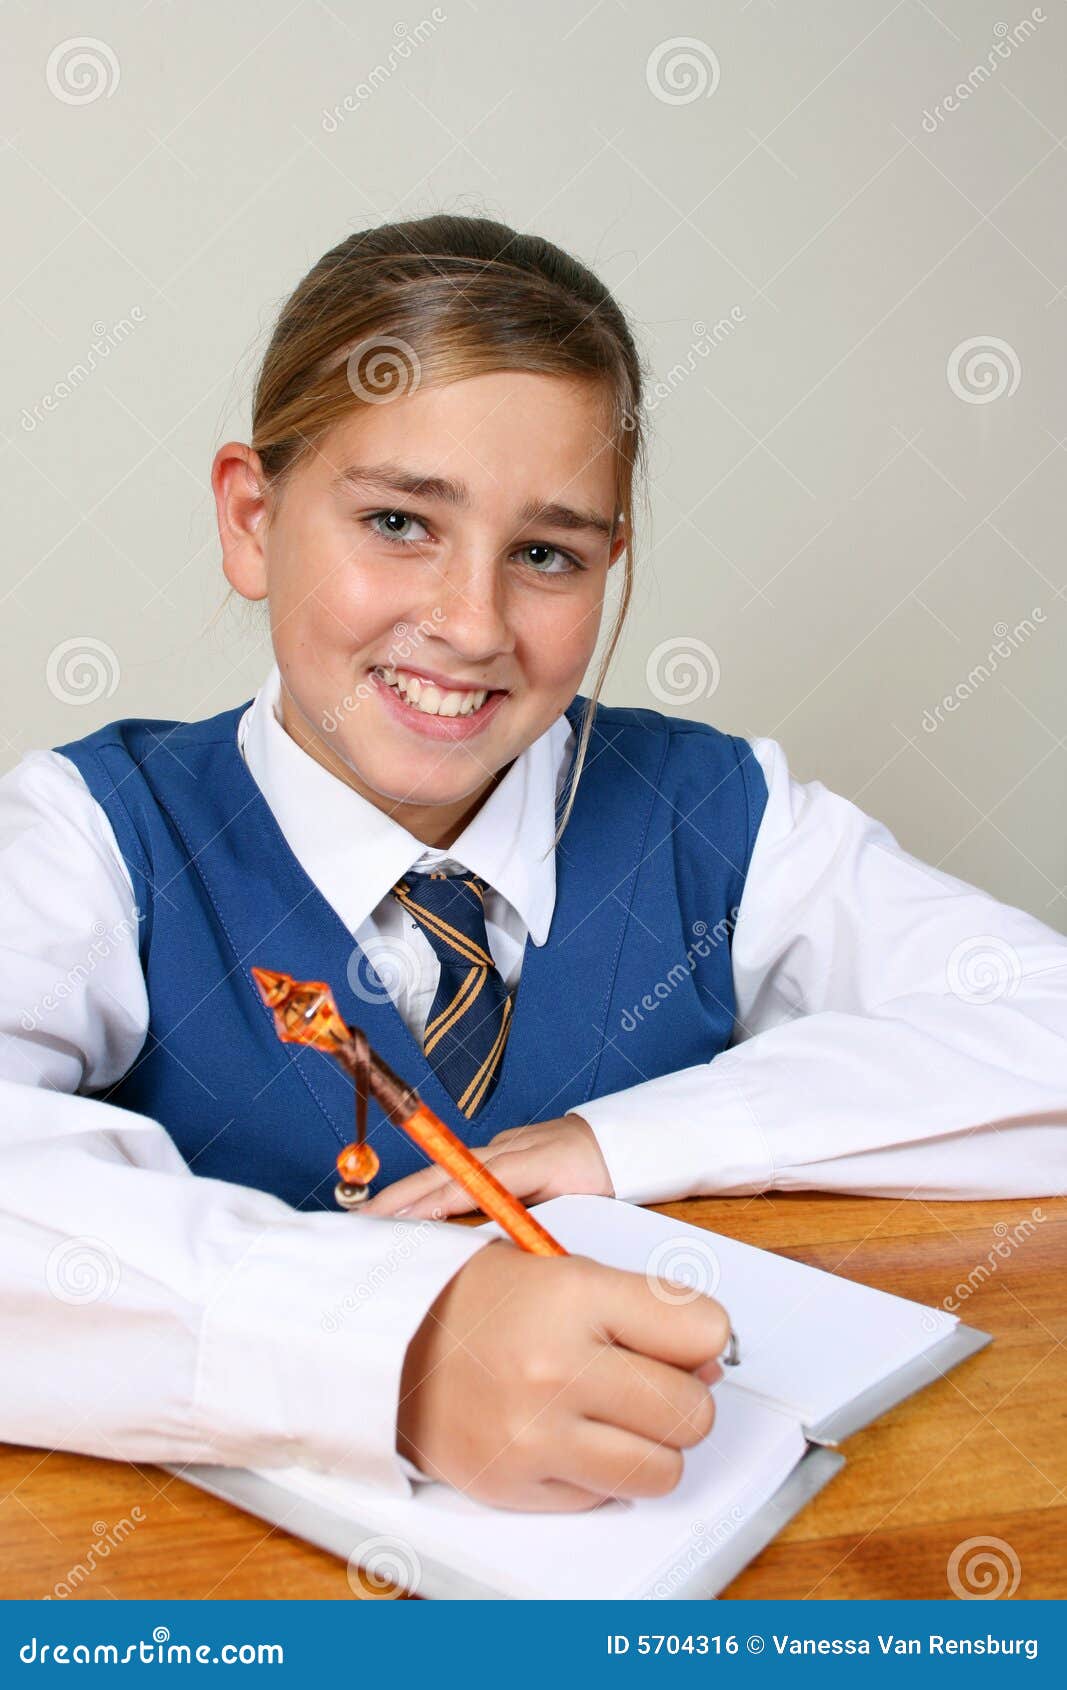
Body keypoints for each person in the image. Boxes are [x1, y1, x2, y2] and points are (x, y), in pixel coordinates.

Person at [2, 214, 1064, 1515]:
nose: (469, 623)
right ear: (251, 516)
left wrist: (621, 1141)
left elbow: (1041, 1022)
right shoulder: (95, 835)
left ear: (612, 566)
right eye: (399, 519)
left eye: (548, 553)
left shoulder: (719, 813)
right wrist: (406, 1350)